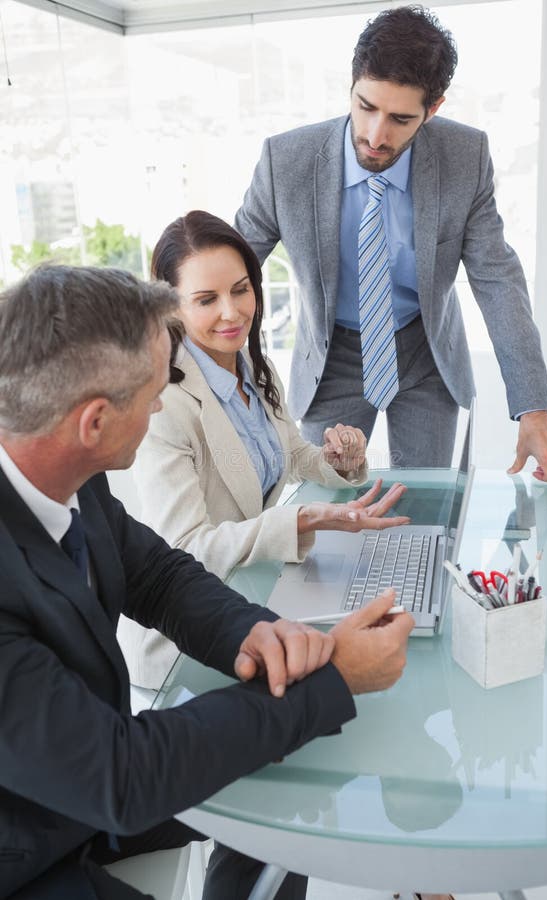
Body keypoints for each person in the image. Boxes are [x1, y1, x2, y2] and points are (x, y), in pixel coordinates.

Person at [0, 264, 415, 900]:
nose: (163, 402)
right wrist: (332, 679)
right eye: (152, 390)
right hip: (26, 846)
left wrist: (255, 632)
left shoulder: (74, 472)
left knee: (283, 754)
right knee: (280, 727)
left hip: (83, 790)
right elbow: (121, 774)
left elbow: (158, 576)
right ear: (94, 423)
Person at [234, 3, 547, 484]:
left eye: (399, 118)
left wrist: (534, 408)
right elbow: (232, 262)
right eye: (365, 106)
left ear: (432, 110)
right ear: (351, 87)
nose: (375, 135)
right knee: (326, 502)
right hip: (334, 354)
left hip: (424, 349)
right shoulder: (285, 160)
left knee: (426, 499)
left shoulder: (465, 157)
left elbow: (497, 278)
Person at [120, 210, 410, 690]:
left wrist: (342, 458)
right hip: (182, 649)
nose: (232, 312)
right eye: (207, 299)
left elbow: (292, 455)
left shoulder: (255, 365)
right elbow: (185, 552)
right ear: (172, 308)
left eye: (240, 289)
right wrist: (297, 522)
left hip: (247, 599)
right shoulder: (163, 403)